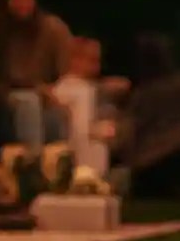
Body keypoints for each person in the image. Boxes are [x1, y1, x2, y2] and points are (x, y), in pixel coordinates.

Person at [0, 0, 74, 154]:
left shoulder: (52, 28)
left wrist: (53, 92)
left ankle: (59, 164)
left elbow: (66, 72)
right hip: (9, 96)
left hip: (47, 94)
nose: (23, 4)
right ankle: (34, 162)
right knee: (28, 102)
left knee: (58, 114)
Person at [52, 37, 130, 176]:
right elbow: (81, 132)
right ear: (75, 60)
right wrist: (98, 130)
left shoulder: (86, 89)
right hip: (81, 166)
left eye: (98, 61)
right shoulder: (72, 90)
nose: (97, 67)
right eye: (92, 60)